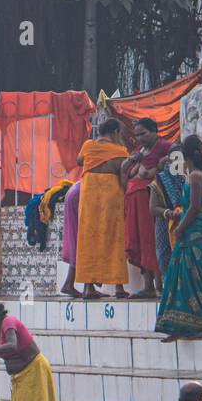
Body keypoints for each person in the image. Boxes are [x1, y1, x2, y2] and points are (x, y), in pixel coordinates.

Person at [155, 135, 202, 342]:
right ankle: (188, 327)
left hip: (193, 233)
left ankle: (193, 327)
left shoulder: (195, 176)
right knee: (193, 281)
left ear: (185, 157)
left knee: (187, 280)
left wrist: (179, 229)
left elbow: (194, 207)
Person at [75, 119, 129, 299]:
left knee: (87, 239)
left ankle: (88, 287)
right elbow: (124, 174)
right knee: (114, 237)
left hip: (90, 194)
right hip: (112, 194)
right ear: (115, 132)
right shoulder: (121, 151)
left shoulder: (88, 145)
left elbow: (78, 161)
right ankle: (119, 287)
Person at [121, 118, 173, 298]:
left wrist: (158, 167)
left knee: (151, 240)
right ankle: (148, 285)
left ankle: (161, 284)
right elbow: (125, 171)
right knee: (138, 242)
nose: (139, 138)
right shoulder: (138, 152)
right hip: (133, 201)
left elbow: (176, 170)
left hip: (150, 202)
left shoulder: (166, 147)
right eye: (136, 135)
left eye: (143, 133)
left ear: (155, 131)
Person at [148, 144, 185, 278]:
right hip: (164, 226)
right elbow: (153, 208)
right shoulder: (160, 180)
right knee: (165, 259)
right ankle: (169, 290)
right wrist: (168, 213)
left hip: (187, 224)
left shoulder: (191, 178)